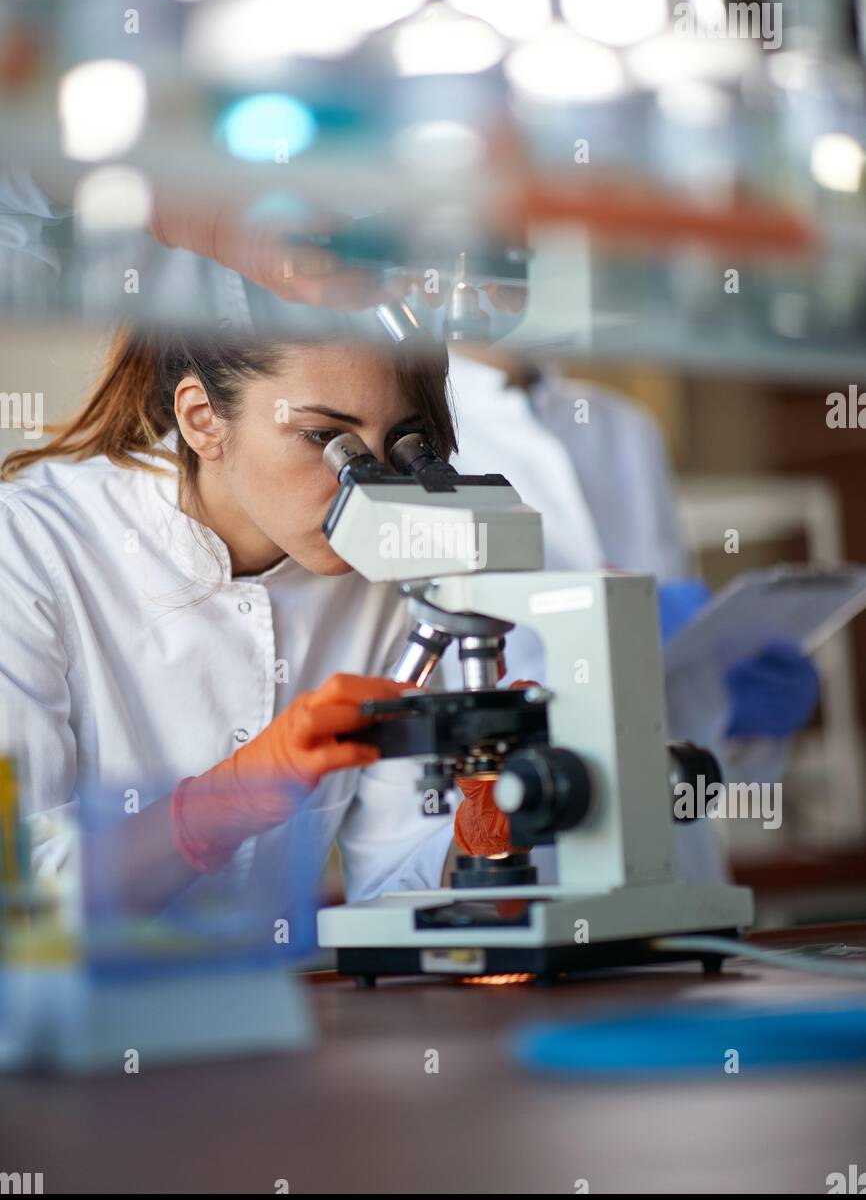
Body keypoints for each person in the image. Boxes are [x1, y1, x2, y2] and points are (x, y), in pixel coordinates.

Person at [0, 326, 512, 919]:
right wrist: (225, 802)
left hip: (280, 995)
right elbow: (19, 900)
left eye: (399, 444)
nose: (368, 487)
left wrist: (483, 843)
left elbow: (397, 893)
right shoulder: (29, 547)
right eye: (326, 438)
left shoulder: (386, 570)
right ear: (201, 420)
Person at [444, 345, 821, 879]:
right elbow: (449, 690)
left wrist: (728, 693)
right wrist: (627, 642)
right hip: (528, 855)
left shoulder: (624, 427)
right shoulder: (422, 434)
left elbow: (672, 687)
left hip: (677, 859)